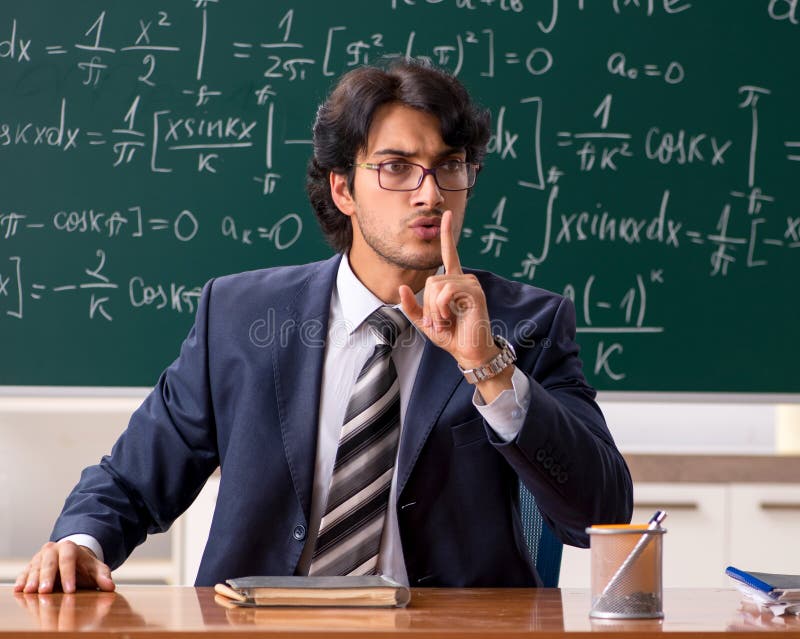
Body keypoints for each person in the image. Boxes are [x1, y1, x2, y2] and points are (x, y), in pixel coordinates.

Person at [16, 59, 632, 594]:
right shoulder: (239, 315)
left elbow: (600, 514)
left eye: (450, 166)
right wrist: (80, 544)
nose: (430, 194)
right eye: (396, 167)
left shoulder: (526, 324)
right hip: (262, 624)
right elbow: (131, 480)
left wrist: (490, 368)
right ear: (343, 188)